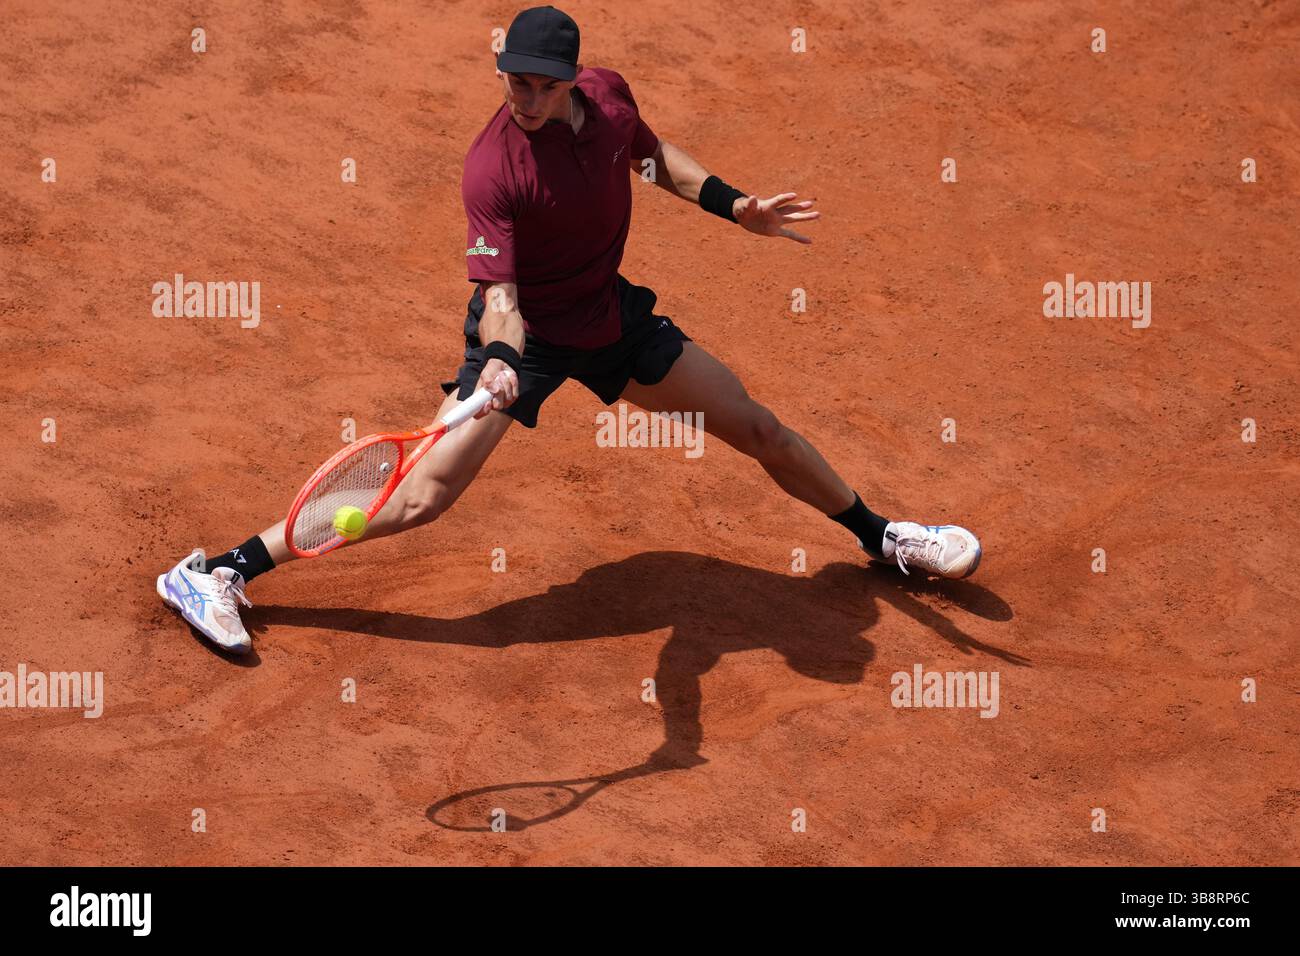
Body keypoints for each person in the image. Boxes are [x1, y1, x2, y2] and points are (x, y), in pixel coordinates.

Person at [158, 5, 981, 655]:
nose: (523, 98)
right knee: (421, 499)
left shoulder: (610, 96)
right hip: (527, 340)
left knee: (758, 426)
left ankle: (885, 538)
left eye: (539, 86)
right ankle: (219, 572)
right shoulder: (494, 169)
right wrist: (505, 361)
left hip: (610, 317)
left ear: (569, 82)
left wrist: (737, 207)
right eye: (512, 82)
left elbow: (653, 158)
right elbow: (502, 293)